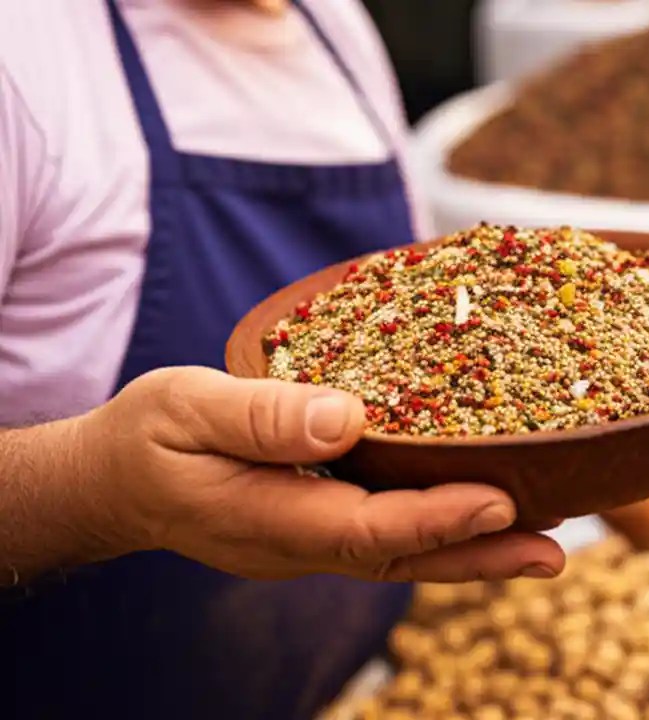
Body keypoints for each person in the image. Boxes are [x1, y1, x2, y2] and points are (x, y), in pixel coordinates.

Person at [0, 1, 566, 718]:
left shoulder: (336, 27)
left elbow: (431, 330)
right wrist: (95, 485)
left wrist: (581, 450)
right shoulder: (24, 56)